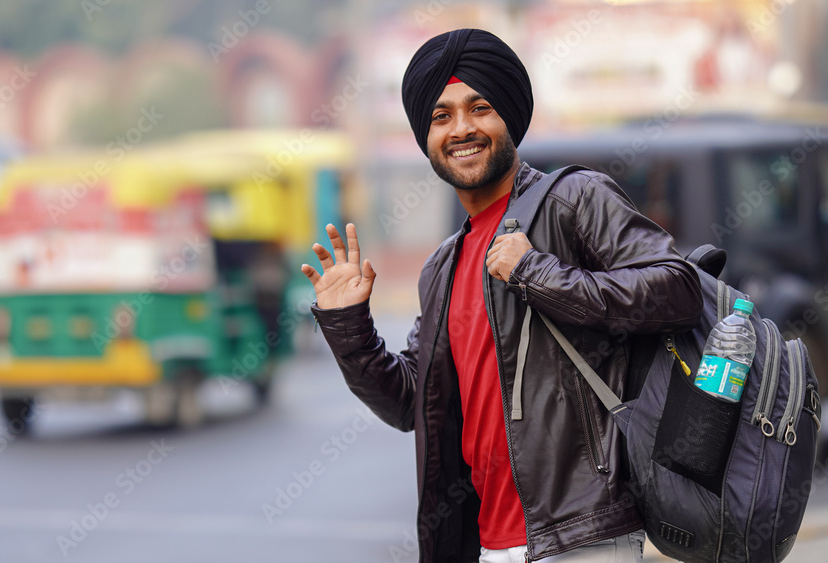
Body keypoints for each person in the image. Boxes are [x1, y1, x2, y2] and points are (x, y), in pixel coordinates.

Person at [301, 29, 703, 563]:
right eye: (441, 116)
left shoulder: (573, 200)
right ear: (427, 137)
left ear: (508, 116)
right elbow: (412, 403)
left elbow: (677, 289)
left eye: (480, 107)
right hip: (488, 543)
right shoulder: (442, 267)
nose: (462, 128)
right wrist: (348, 329)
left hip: (581, 535)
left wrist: (536, 273)